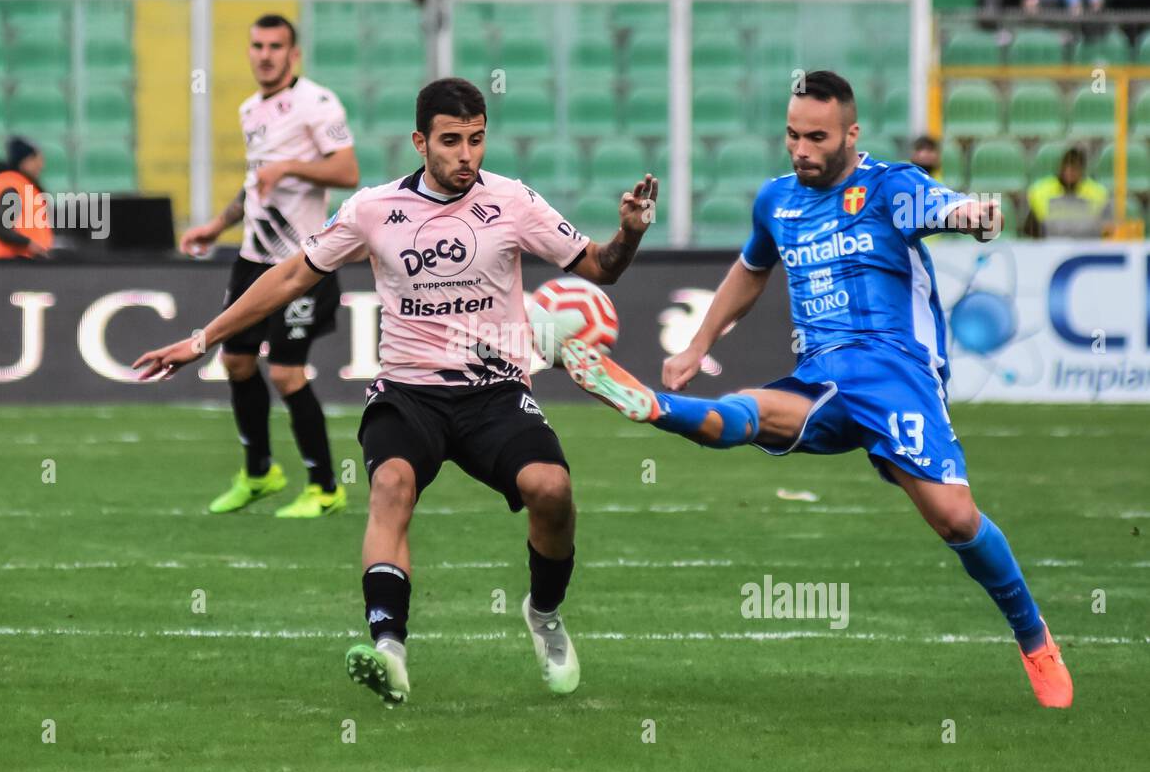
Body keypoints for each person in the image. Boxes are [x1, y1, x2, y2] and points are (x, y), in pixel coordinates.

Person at [135, 77, 659, 707]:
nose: (467, 155)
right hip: (407, 392)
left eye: (476, 140)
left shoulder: (514, 201)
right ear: (420, 142)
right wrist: (203, 340)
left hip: (494, 391)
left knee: (551, 489)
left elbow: (598, 268)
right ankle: (389, 650)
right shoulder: (373, 209)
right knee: (389, 486)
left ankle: (544, 613)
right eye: (451, 141)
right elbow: (293, 275)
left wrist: (628, 233)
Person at [558, 70, 1073, 711]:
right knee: (737, 418)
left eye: (817, 138)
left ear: (851, 135)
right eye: (792, 135)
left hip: (895, 378)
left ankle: (1035, 640)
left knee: (954, 518)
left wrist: (975, 215)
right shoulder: (777, 201)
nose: (801, 149)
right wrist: (696, 345)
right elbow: (750, 272)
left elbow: (946, 207)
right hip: (821, 378)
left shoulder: (891, 187)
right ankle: (651, 406)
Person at [179, 15, 358, 520]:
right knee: (235, 362)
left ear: (294, 54)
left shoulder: (317, 104)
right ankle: (260, 473)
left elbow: (347, 170)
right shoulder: (249, 109)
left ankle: (325, 487)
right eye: (257, 45)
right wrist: (217, 224)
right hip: (251, 259)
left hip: (303, 261)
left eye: (276, 46)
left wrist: (290, 166)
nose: (265, 54)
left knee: (285, 372)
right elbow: (255, 181)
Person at [0, 135, 52, 259]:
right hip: (12, 263)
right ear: (25, 161)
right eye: (37, 160)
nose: (41, 166)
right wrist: (29, 244)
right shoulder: (13, 186)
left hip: (17, 263)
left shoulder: (19, 184)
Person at [1023, 145, 1113, 238]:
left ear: (1082, 171)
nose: (1069, 173)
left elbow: (1107, 229)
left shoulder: (1098, 193)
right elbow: (1031, 229)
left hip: (1086, 244)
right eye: (1066, 167)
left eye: (1074, 168)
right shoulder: (1040, 191)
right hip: (1051, 246)